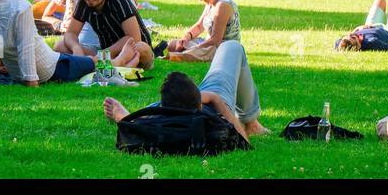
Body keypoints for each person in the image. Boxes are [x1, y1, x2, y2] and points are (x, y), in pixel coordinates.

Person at [104, 39, 268, 148]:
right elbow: (244, 142)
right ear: (199, 104)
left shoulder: (158, 125)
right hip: (216, 100)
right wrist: (215, 99)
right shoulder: (217, 127)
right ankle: (251, 121)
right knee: (232, 46)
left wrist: (124, 118)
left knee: (174, 97)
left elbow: (141, 125)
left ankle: (129, 114)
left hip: (176, 110)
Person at [57, 0, 154, 71]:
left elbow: (134, 38)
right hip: (106, 53)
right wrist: (76, 48)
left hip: (133, 51)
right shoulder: (84, 0)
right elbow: (70, 33)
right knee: (60, 46)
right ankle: (114, 66)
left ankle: (105, 65)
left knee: (141, 47)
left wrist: (102, 55)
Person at [165, 0, 241, 60]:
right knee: (173, 45)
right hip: (209, 44)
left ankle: (179, 56)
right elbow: (199, 26)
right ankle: (181, 55)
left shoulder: (223, 5)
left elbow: (215, 40)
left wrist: (196, 48)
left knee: (193, 52)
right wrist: (186, 38)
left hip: (223, 48)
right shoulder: (211, 2)